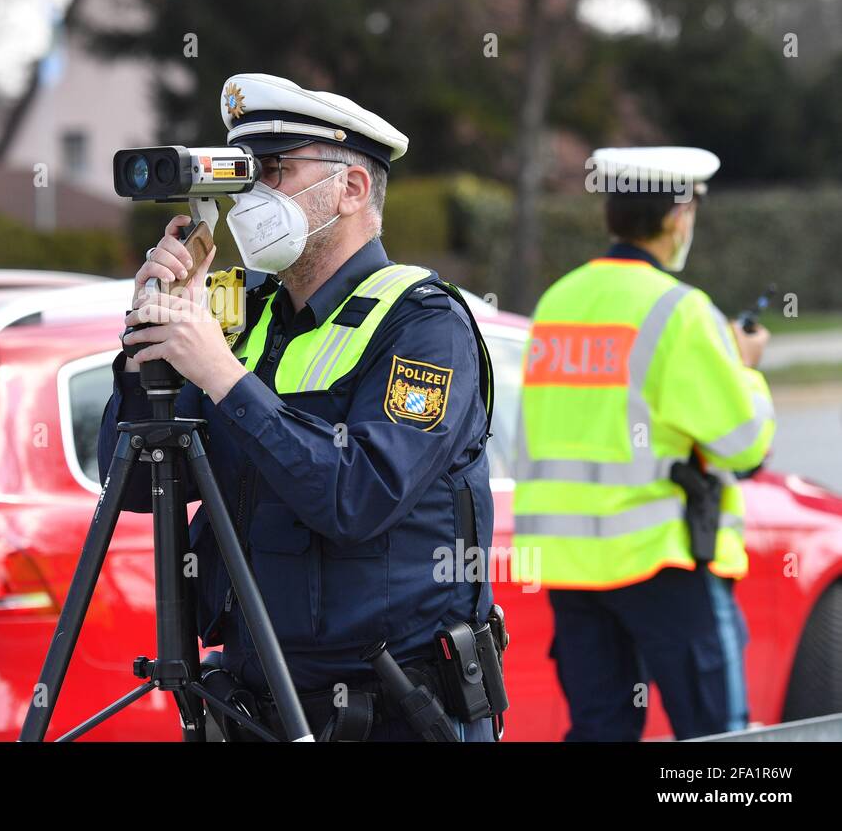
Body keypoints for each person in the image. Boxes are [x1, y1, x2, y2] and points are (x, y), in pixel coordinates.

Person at [97, 73, 503, 741]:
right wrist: (153, 348)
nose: (253, 198)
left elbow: (358, 496)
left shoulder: (425, 325)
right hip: (255, 705)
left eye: (276, 171)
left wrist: (221, 373)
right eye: (245, 176)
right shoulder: (241, 317)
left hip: (393, 710)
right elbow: (137, 485)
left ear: (352, 188)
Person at [512, 146, 775, 741]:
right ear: (679, 214)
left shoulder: (557, 302)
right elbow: (744, 446)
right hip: (661, 565)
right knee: (718, 741)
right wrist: (746, 368)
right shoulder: (680, 311)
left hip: (572, 569)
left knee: (601, 730)